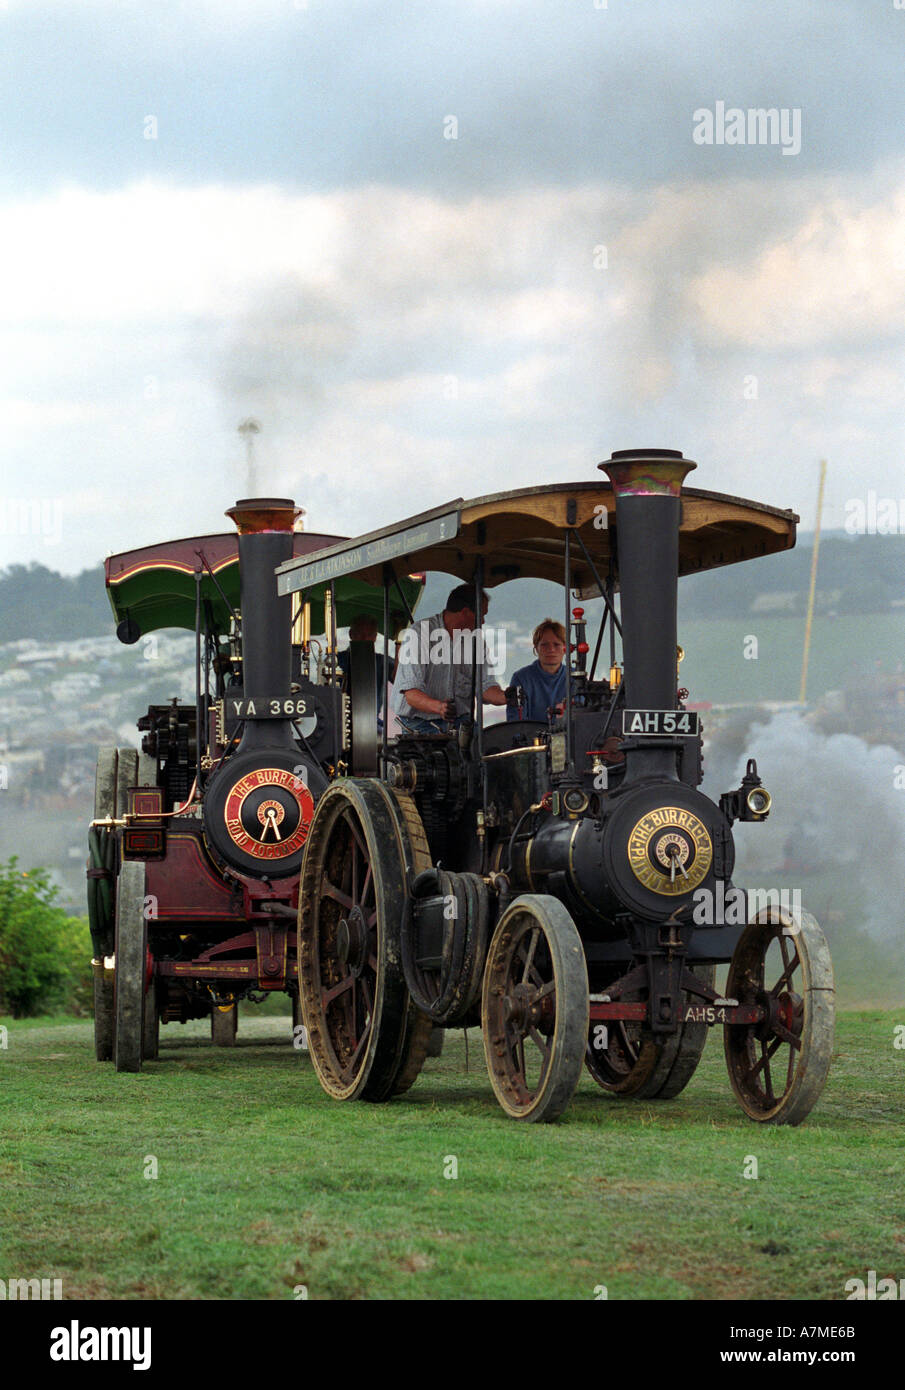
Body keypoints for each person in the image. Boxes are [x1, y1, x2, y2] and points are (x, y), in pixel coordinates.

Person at [394, 585, 507, 734]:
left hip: (460, 723)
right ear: (465, 612)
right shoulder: (420, 634)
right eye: (481, 615)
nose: (483, 622)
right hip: (420, 725)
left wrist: (506, 697)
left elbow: (484, 686)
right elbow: (411, 694)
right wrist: (439, 707)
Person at [337, 614, 395, 730]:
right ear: (351, 635)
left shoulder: (382, 661)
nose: (364, 638)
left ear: (374, 637)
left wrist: (400, 646)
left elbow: (401, 679)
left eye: (368, 635)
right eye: (360, 634)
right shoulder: (337, 660)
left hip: (372, 724)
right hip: (338, 722)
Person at [507, 619, 567, 722]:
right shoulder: (521, 678)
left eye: (556, 644)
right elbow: (515, 723)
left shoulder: (575, 678)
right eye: (544, 645)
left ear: (565, 648)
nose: (551, 649)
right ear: (536, 648)